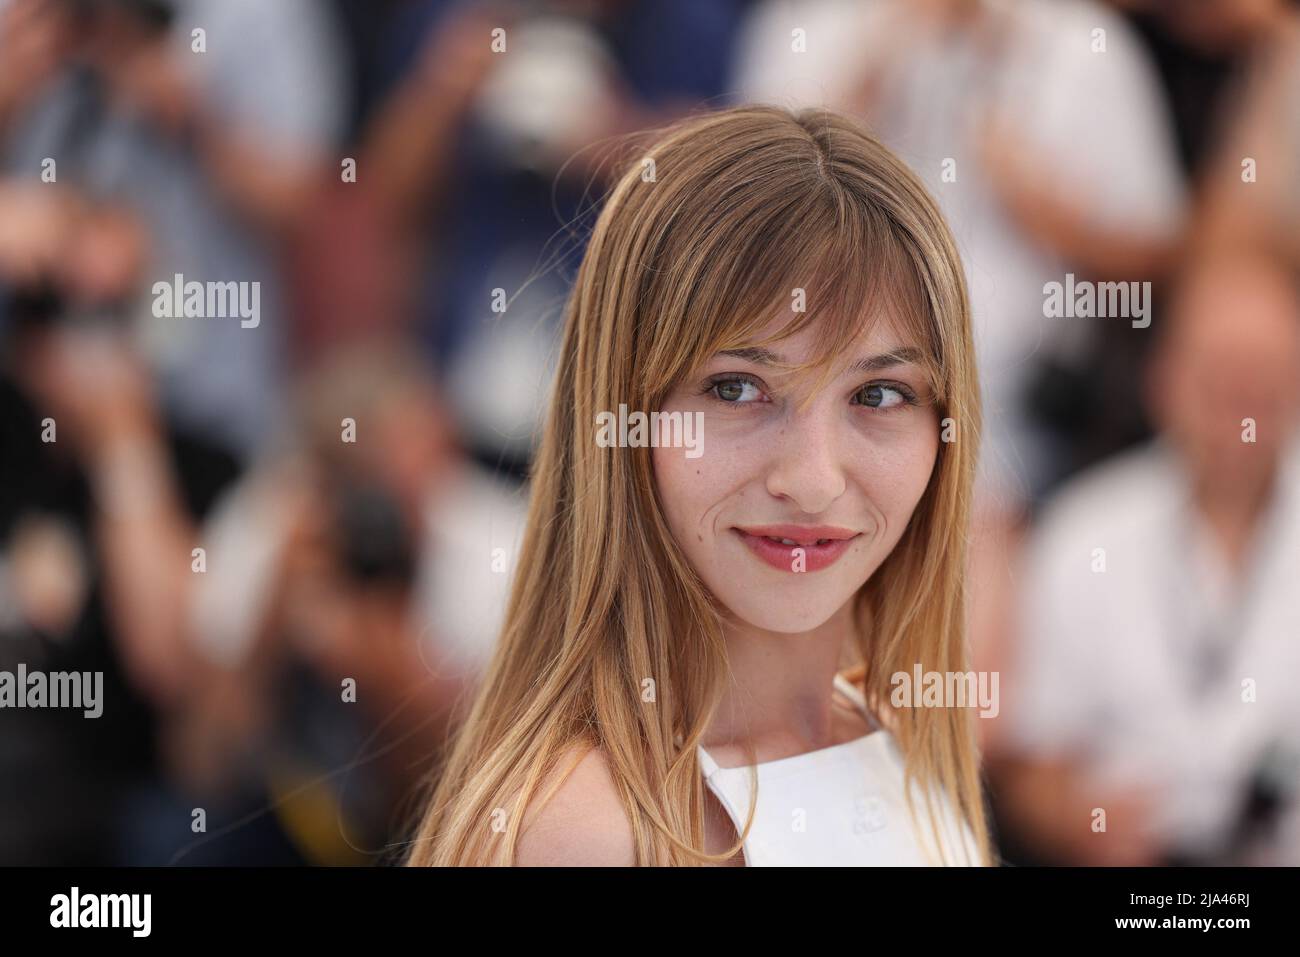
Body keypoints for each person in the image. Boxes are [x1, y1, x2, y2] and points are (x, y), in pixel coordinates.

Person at [404, 105, 991, 866]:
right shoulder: (589, 828)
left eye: (878, 396)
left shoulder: (896, 728)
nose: (811, 480)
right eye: (737, 389)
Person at [993, 252, 1300, 865]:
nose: (1240, 411)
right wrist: (1077, 820)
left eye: (1262, 384)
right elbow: (1030, 760)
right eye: (1219, 380)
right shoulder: (1086, 533)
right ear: (1164, 380)